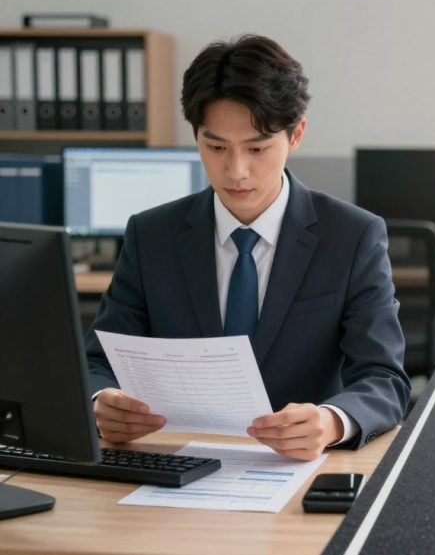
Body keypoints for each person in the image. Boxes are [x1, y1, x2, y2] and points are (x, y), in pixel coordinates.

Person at [85, 35, 410, 460]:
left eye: (257, 148)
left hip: (295, 469)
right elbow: (97, 361)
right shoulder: (152, 236)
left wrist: (332, 421)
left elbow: (385, 378)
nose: (236, 171)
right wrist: (99, 403)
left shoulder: (352, 236)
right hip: (174, 463)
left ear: (296, 136)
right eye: (216, 147)